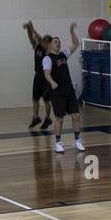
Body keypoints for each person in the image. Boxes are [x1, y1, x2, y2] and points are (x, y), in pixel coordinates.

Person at [42, 23, 84, 153]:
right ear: (50, 45)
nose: (58, 44)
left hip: (69, 90)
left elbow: (76, 43)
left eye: (59, 42)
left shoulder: (63, 55)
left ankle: (77, 140)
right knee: (59, 118)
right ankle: (58, 143)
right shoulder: (48, 58)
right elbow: (46, 73)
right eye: (55, 42)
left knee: (76, 116)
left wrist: (71, 31)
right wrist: (52, 81)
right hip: (57, 92)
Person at [23, 21, 53, 131]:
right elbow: (32, 39)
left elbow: (39, 38)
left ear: (48, 43)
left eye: (45, 41)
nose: (42, 42)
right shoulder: (38, 47)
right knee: (35, 99)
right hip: (37, 77)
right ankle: (36, 117)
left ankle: (47, 118)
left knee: (47, 100)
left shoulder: (48, 49)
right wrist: (28, 30)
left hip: (46, 78)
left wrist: (32, 27)